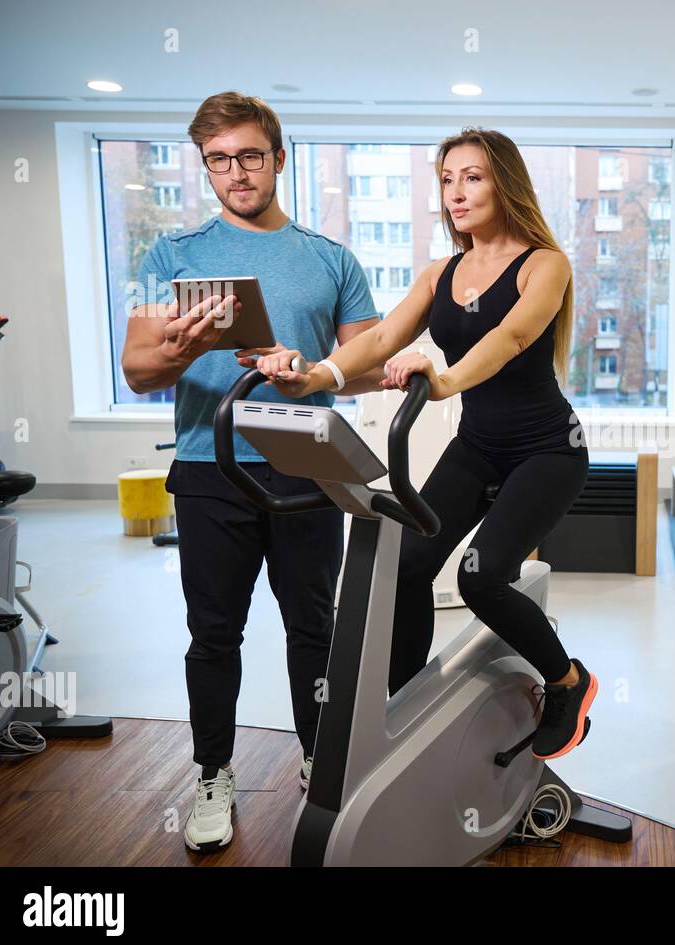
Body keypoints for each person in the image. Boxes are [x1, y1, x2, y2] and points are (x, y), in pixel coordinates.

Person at [254, 127, 597, 762]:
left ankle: (568, 681)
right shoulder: (440, 272)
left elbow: (513, 338)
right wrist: (317, 376)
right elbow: (382, 338)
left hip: (548, 451)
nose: (456, 193)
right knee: (408, 565)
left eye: (472, 177)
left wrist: (445, 380)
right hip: (480, 447)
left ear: (505, 182)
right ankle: (404, 700)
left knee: (481, 577)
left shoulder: (545, 262)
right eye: (446, 180)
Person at [121, 92, 382, 852]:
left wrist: (313, 370)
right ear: (205, 165)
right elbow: (138, 370)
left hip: (307, 462)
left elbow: (361, 369)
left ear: (278, 156)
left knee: (314, 627)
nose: (236, 172)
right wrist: (184, 348)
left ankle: (318, 758)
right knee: (214, 633)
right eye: (219, 160)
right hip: (211, 467)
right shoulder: (173, 256)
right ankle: (212, 773)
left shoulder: (332, 259)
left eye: (249, 155)